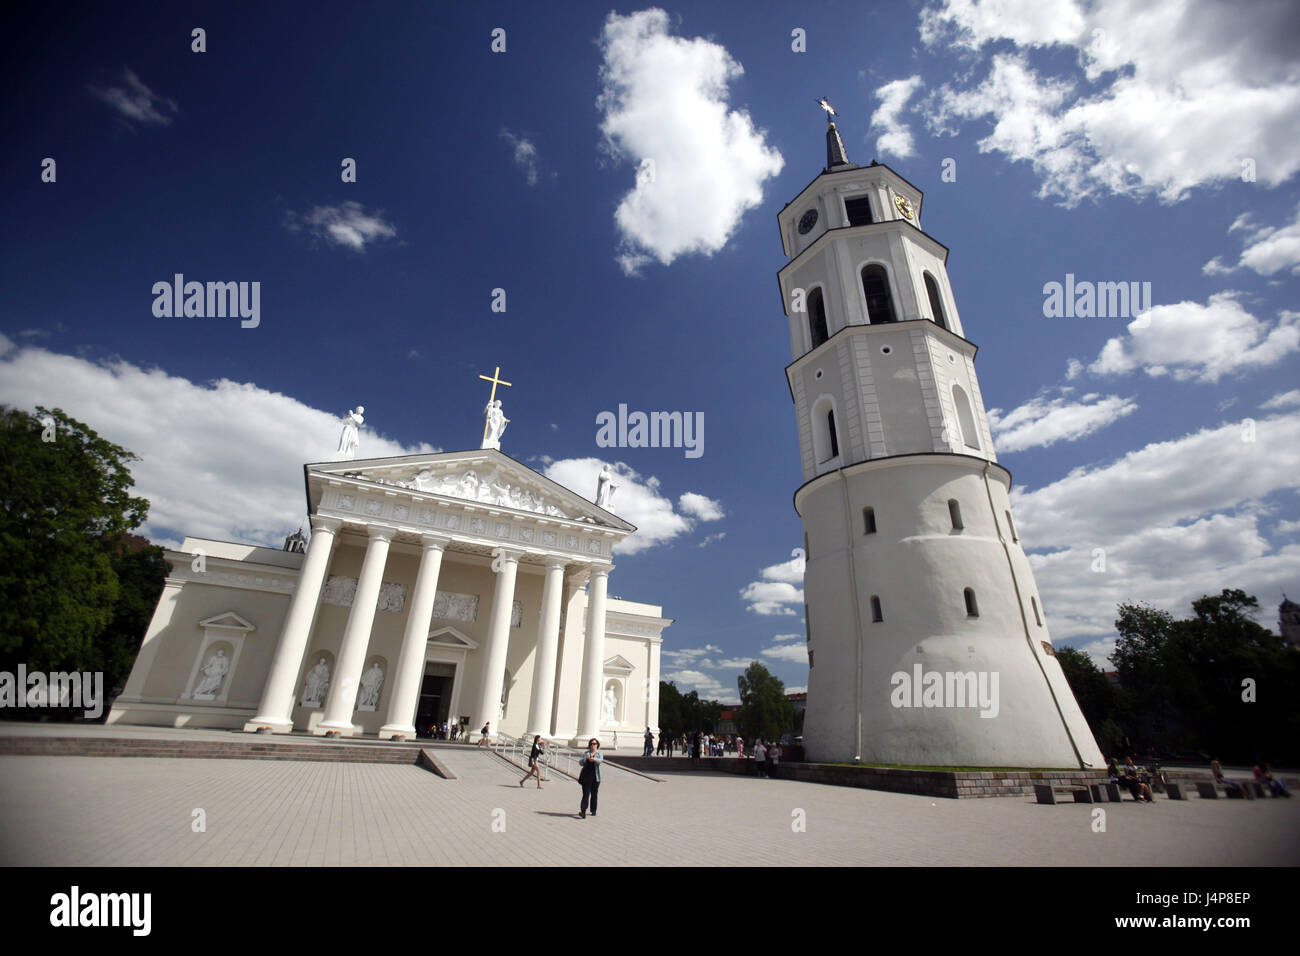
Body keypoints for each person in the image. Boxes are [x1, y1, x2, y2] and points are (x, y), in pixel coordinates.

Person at [578, 738, 603, 818]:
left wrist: (594, 759)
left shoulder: (599, 753)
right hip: (586, 777)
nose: (593, 745)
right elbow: (580, 763)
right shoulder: (586, 753)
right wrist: (586, 759)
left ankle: (593, 810)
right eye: (591, 744)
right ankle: (583, 811)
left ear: (597, 745)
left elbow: (600, 761)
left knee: (594, 794)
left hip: (596, 777)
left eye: (595, 744)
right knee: (586, 794)